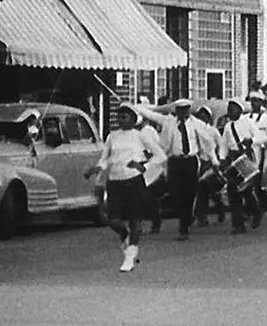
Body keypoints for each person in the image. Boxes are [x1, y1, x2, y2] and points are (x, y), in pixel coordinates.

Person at [88, 104, 165, 272]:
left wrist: (143, 166)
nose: (121, 120)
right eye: (119, 117)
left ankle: (130, 256)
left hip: (134, 181)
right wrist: (98, 167)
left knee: (135, 220)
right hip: (115, 181)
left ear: (133, 119)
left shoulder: (140, 136)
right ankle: (124, 235)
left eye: (125, 117)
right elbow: (106, 157)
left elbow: (160, 156)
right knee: (113, 219)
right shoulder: (112, 136)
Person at [140, 99, 217, 241]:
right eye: (180, 110)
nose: (183, 113)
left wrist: (214, 160)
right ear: (176, 111)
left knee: (189, 194)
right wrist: (136, 107)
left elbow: (208, 144)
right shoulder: (169, 123)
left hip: (190, 160)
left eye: (186, 109)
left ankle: (184, 226)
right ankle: (184, 218)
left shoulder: (196, 124)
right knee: (175, 194)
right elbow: (152, 115)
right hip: (175, 161)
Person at [221, 99, 265, 234]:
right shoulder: (228, 126)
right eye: (228, 109)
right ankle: (238, 224)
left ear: (239, 110)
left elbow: (262, 137)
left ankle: (256, 211)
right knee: (233, 192)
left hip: (246, 157)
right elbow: (224, 144)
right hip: (233, 158)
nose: (229, 112)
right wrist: (222, 158)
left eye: (232, 109)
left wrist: (251, 141)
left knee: (245, 190)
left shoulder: (249, 123)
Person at [193, 106, 226, 227]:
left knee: (211, 188)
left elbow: (221, 145)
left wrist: (217, 160)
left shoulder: (213, 131)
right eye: (199, 116)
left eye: (203, 115)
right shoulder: (196, 130)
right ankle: (202, 216)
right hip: (201, 162)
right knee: (202, 190)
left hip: (212, 163)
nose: (201, 118)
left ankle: (219, 209)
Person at [137, 112, 167, 234]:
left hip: (150, 167)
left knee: (147, 196)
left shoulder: (148, 131)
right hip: (140, 166)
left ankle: (155, 222)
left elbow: (153, 150)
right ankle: (139, 224)